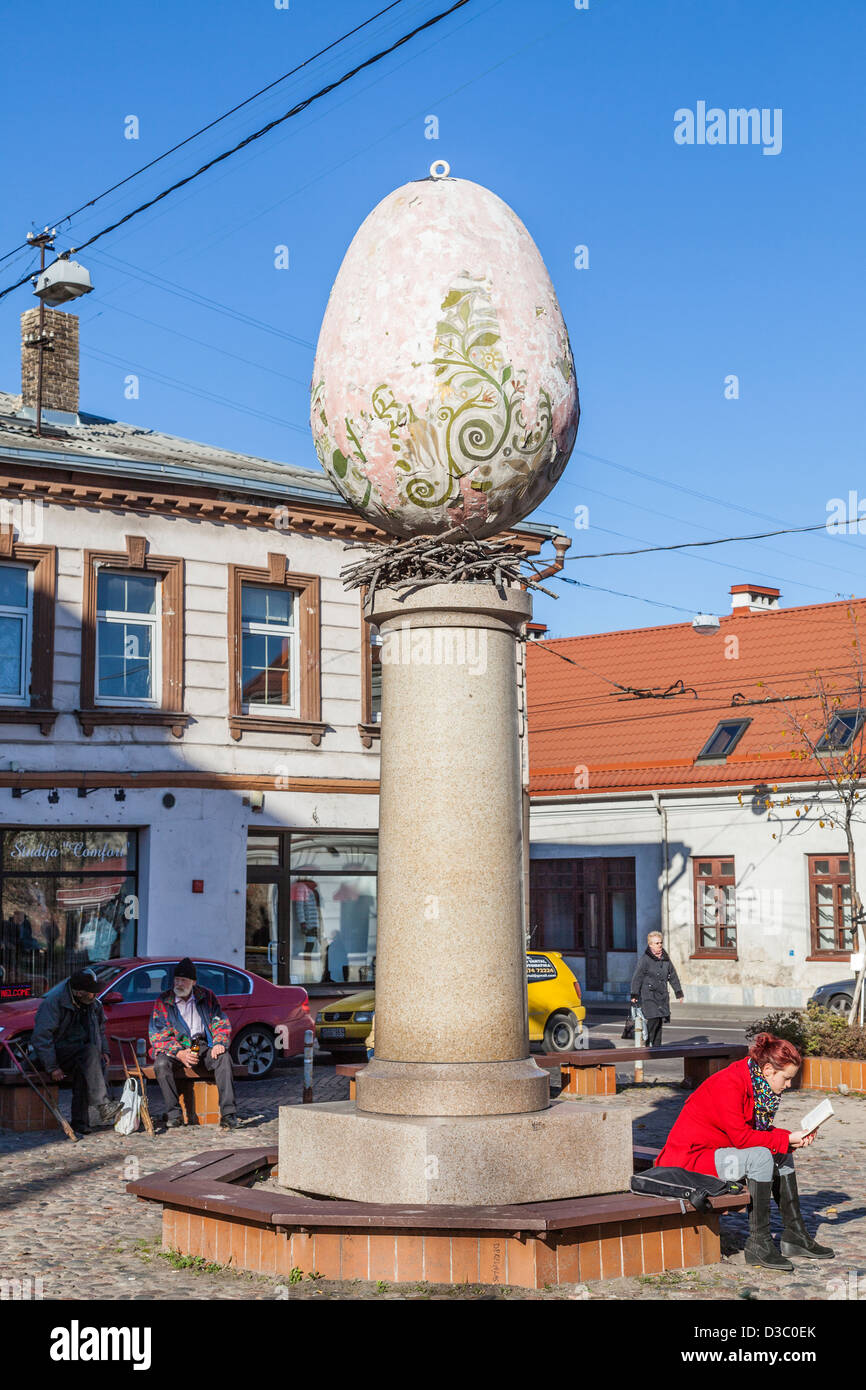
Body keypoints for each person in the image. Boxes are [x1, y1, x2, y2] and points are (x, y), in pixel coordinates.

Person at [656, 1031, 833, 1270]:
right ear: (769, 1070)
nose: (789, 1085)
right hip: (691, 1160)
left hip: (717, 1151)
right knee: (761, 1155)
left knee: (780, 1152)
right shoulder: (731, 1083)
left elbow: (754, 1132)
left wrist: (789, 1140)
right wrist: (787, 1138)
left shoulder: (754, 1081)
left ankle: (795, 1236)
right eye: (787, 1078)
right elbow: (742, 1138)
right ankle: (758, 1243)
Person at [148, 957, 238, 1130]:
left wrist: (219, 1042)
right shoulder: (163, 1001)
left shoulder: (206, 996)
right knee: (160, 1064)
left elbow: (220, 1021)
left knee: (223, 1058)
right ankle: (174, 1115)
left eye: (183, 980)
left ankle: (228, 1114)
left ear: (193, 982)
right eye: (176, 980)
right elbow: (158, 1035)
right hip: (175, 1048)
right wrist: (179, 1053)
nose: (179, 984)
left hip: (201, 1045)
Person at [31, 968, 122, 1135]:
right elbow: (42, 1038)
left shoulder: (93, 1004)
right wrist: (52, 1067)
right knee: (89, 1054)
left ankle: (80, 1123)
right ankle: (102, 1105)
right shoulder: (54, 1003)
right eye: (92, 992)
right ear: (79, 993)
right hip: (56, 1053)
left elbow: (100, 1029)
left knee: (86, 1066)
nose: (95, 995)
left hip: (82, 1054)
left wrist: (105, 1052)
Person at [629, 930, 684, 1046]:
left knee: (659, 1020)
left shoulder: (665, 958)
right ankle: (649, 1043)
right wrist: (634, 994)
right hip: (649, 994)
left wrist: (678, 992)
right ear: (650, 945)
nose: (659, 945)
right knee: (653, 1018)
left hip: (662, 994)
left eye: (660, 942)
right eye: (656, 943)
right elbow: (637, 977)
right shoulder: (645, 959)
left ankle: (657, 1046)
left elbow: (672, 975)